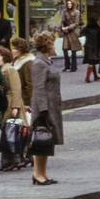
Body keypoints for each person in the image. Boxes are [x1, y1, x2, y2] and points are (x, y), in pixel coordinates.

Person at [28, 32, 64, 186]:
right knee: (41, 140)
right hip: (44, 108)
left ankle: (42, 173)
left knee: (46, 141)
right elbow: (39, 89)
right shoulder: (38, 63)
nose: (54, 46)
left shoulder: (46, 62)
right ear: (47, 45)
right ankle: (37, 174)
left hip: (51, 107)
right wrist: (43, 111)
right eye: (52, 43)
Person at [0, 46, 25, 172]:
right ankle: (7, 161)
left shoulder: (9, 69)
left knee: (11, 132)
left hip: (11, 104)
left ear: (4, 57)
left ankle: (15, 160)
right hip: (5, 104)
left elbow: (16, 88)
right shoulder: (1, 69)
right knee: (7, 132)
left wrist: (16, 107)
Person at [60, 0, 82, 72]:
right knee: (65, 49)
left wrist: (68, 27)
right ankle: (67, 65)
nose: (69, 5)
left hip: (73, 32)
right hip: (66, 32)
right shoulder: (64, 12)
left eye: (70, 4)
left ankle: (73, 67)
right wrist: (63, 27)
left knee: (73, 50)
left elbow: (76, 23)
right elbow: (62, 21)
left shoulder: (77, 12)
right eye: (68, 4)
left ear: (73, 4)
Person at [82, 15, 100, 83]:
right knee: (92, 62)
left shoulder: (86, 28)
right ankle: (87, 77)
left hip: (88, 47)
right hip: (95, 47)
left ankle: (95, 76)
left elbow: (81, 34)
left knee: (92, 62)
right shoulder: (97, 29)